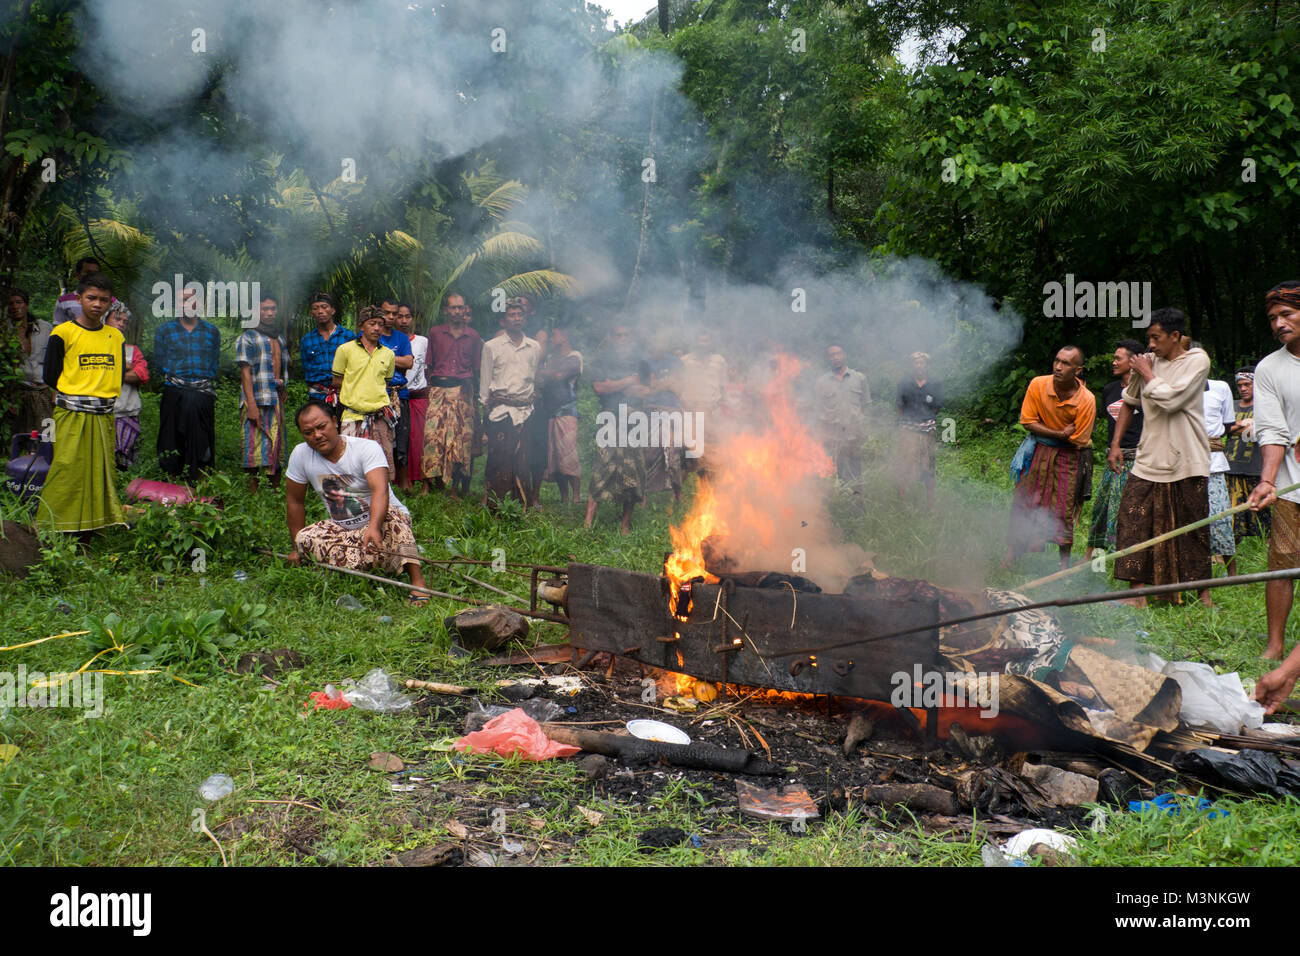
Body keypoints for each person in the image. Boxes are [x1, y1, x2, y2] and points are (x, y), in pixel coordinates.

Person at [1109, 309, 1212, 606]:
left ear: (1175, 336)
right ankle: (1136, 593)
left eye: (1156, 337)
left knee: (1193, 524)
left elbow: (1172, 400)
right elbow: (1128, 403)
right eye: (1148, 338)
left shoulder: (1197, 360)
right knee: (1132, 520)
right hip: (1149, 455)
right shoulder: (1149, 363)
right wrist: (1116, 444)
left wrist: (1147, 373)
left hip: (1188, 456)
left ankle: (1202, 594)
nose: (1151, 345)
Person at [284, 400, 430, 605]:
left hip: (382, 521)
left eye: (321, 427)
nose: (317, 435)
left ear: (335, 421)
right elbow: (295, 501)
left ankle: (417, 581)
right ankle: (378, 560)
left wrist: (374, 527)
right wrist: (294, 547)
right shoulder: (300, 454)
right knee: (304, 539)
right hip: (345, 530)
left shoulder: (366, 448)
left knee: (395, 519)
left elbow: (379, 491)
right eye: (308, 432)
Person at [36, 273, 127, 533]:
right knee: (67, 467)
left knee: (98, 470)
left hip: (103, 415)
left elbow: (117, 374)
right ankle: (53, 525)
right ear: (79, 299)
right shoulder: (63, 333)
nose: (97, 304)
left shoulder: (115, 337)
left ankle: (91, 527)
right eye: (91, 298)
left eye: (103, 300)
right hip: (71, 413)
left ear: (110, 303)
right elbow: (50, 375)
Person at [1005, 345, 1096, 570]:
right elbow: (1027, 421)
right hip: (1036, 452)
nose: (1058, 367)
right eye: (1057, 360)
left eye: (1065, 363)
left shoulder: (1087, 399)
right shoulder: (1038, 384)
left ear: (1077, 370)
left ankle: (1063, 565)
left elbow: (1079, 438)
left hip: (1069, 457)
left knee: (1063, 507)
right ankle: (1011, 555)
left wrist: (1048, 430)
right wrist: (1058, 433)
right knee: (1024, 500)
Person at [585, 324, 648, 533]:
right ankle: (587, 522)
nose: (623, 339)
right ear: (612, 337)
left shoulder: (641, 361)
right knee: (601, 466)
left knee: (632, 469)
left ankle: (625, 524)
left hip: (634, 417)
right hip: (609, 416)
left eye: (626, 335)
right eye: (619, 335)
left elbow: (645, 391)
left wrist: (615, 384)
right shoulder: (602, 361)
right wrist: (628, 381)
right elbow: (599, 387)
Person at [479, 298, 541, 509]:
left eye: (519, 315)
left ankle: (519, 506)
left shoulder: (534, 347)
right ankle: (495, 505)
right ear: (503, 320)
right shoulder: (491, 346)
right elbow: (485, 384)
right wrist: (485, 415)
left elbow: (534, 378)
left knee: (523, 459)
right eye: (511, 315)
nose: (516, 319)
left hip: (526, 410)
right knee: (500, 458)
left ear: (525, 318)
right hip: (500, 411)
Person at [154, 286, 220, 480]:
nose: (188, 304)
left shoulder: (211, 331)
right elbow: (159, 361)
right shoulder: (165, 330)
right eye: (183, 300)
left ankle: (199, 484)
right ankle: (171, 483)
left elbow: (215, 360)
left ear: (199, 303)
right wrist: (176, 377)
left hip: (202, 393)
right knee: (171, 438)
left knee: (202, 438)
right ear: (177, 304)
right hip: (174, 391)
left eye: (192, 299)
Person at [421, 291, 483, 497]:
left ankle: (455, 488)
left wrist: (473, 397)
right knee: (432, 437)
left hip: (463, 391)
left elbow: (476, 368)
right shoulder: (436, 333)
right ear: (446, 310)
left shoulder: (473, 336)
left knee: (460, 440)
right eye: (453, 307)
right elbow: (429, 366)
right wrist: (432, 392)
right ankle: (429, 484)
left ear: (465, 309)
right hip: (439, 390)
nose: (457, 311)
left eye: (461, 307)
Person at [1088, 340, 1146, 555]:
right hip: (1114, 457)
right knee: (1102, 505)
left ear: (1133, 362)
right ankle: (1091, 555)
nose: (1113, 362)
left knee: (1128, 509)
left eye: (1118, 358)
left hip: (1137, 458)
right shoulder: (1110, 390)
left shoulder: (1146, 389)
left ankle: (1122, 553)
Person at [331, 307, 398, 472]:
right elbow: (337, 381)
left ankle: (381, 496)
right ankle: (351, 497)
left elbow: (386, 382)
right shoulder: (345, 350)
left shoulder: (388, 354)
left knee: (381, 465)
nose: (377, 328)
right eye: (372, 323)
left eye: (380, 325)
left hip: (380, 416)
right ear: (361, 326)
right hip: (352, 415)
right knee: (349, 465)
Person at [236, 294, 290, 493]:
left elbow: (282, 367)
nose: (269, 313)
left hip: (275, 399)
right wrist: (251, 404)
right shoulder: (248, 337)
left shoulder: (279, 337)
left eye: (273, 309)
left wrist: (284, 388)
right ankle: (253, 496)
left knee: (277, 445)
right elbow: (245, 372)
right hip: (256, 399)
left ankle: (274, 494)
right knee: (252, 447)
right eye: (265, 309)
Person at [815, 344, 870, 489]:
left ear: (844, 355)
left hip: (854, 436)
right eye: (832, 355)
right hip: (833, 438)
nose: (835, 357)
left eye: (838, 353)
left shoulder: (859, 378)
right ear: (828, 359)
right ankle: (839, 505)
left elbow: (864, 406)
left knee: (856, 472)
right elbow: (819, 412)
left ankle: (858, 505)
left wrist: (859, 425)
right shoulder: (822, 383)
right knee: (836, 474)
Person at [1224, 365, 1268, 546]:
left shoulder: (1265, 405)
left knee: (1263, 518)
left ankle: (1267, 555)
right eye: (1240, 385)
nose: (1243, 388)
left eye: (1247, 384)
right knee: (1230, 517)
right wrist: (1240, 424)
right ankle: (1226, 554)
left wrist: (1236, 426)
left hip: (1257, 470)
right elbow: (1221, 428)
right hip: (1231, 467)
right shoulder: (1231, 405)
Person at [538, 327, 583, 504]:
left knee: (569, 456)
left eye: (554, 335)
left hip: (567, 412)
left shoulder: (575, 357)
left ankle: (576, 496)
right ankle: (564, 496)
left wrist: (543, 372)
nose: (550, 339)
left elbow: (558, 376)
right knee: (555, 458)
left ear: (564, 338)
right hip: (550, 412)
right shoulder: (551, 358)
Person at [104, 301, 149, 469]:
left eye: (125, 321)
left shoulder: (132, 350)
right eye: (117, 319)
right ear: (105, 319)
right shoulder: (95, 345)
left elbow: (142, 374)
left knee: (124, 463)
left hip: (127, 411)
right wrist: (126, 368)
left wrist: (111, 372)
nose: (121, 324)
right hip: (103, 411)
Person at [678, 330, 728, 477]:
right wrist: (689, 408)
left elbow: (723, 387)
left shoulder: (719, 361)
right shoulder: (685, 361)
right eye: (700, 341)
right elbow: (679, 386)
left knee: (712, 452)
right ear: (695, 343)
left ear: (711, 343)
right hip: (691, 411)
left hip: (713, 413)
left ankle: (709, 486)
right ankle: (680, 491)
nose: (703, 344)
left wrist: (717, 407)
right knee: (689, 453)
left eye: (706, 341)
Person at [895, 351, 942, 509]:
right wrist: (908, 425)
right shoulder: (903, 384)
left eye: (922, 363)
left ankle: (930, 506)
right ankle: (902, 503)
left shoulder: (935, 384)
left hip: (928, 431)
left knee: (928, 467)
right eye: (916, 363)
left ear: (927, 366)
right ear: (911, 365)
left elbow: (936, 408)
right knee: (905, 466)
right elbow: (900, 408)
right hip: (907, 430)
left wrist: (925, 423)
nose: (919, 366)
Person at [1203, 372, 1237, 581]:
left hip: (1213, 465)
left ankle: (1232, 575)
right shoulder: (1173, 388)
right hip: (1181, 465)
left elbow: (1227, 425)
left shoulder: (1220, 388)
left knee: (1220, 519)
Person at [7, 288, 53, 443]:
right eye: (11, 304)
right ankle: (18, 464)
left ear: (26, 305)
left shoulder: (44, 328)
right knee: (19, 437)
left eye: (18, 302)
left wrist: (56, 391)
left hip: (43, 391)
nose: (15, 307)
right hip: (18, 391)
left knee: (47, 436)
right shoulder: (6, 332)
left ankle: (47, 464)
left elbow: (57, 359)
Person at [378, 297, 415, 489]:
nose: (391, 317)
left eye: (394, 313)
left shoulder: (401, 337)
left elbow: (409, 363)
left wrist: (382, 356)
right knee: (381, 440)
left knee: (402, 438)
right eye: (387, 312)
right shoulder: (370, 334)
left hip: (399, 394)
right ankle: (383, 484)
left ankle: (403, 482)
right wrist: (396, 359)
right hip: (377, 395)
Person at [300, 292, 355, 409]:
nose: (320, 311)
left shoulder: (348, 336)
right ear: (311, 313)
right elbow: (307, 369)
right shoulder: (307, 340)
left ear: (332, 310)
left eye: (324, 307)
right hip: (318, 395)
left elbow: (356, 365)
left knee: (344, 426)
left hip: (346, 394)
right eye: (316, 308)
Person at [395, 302, 428, 493]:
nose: (404, 320)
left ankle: (425, 481)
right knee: (402, 440)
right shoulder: (388, 341)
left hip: (419, 397)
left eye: (408, 316)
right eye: (400, 316)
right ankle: (403, 481)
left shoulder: (422, 341)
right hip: (398, 396)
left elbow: (427, 368)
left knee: (420, 440)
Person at [51, 257, 118, 325]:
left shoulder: (113, 301)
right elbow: (58, 327)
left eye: (95, 273)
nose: (92, 276)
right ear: (77, 275)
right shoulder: (63, 301)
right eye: (88, 272)